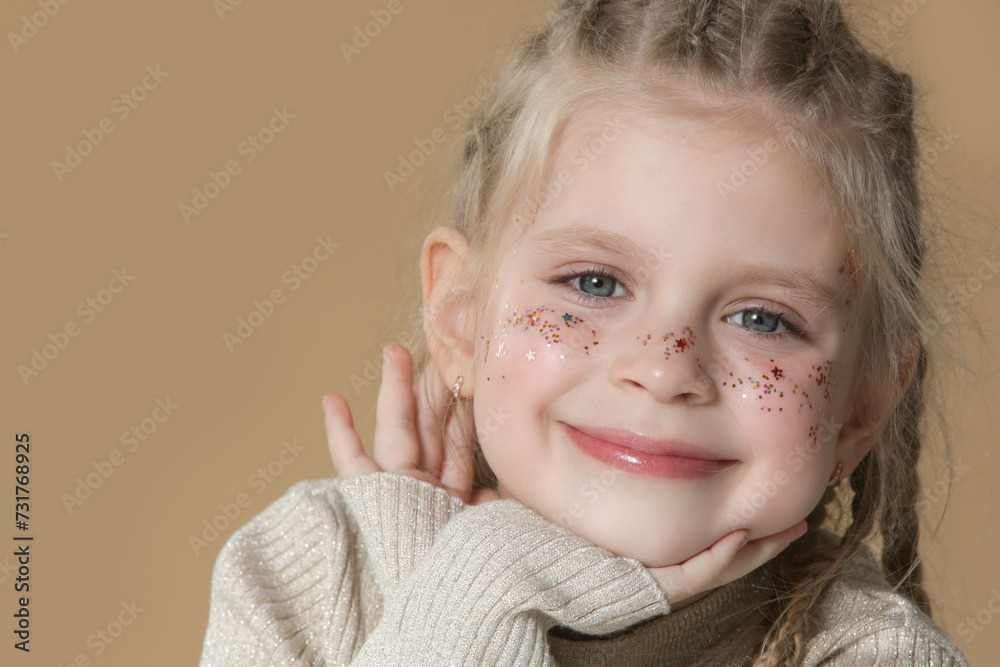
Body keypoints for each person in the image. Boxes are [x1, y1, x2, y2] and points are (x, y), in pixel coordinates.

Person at [199, 0, 970, 664]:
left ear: (865, 402)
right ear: (463, 319)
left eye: (763, 319)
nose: (665, 369)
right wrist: (475, 580)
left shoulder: (872, 652)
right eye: (594, 283)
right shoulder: (306, 570)